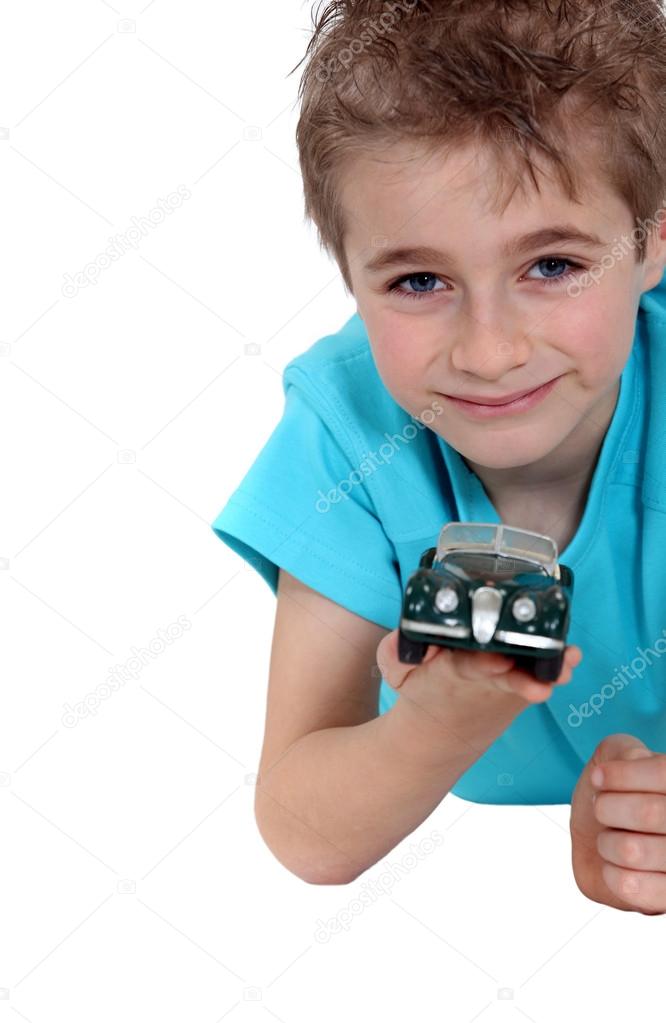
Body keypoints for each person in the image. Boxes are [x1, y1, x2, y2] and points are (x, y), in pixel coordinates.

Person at [212, 0, 666, 913]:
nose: (489, 352)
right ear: (349, 271)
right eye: (419, 282)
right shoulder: (346, 426)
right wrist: (439, 722)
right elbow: (303, 828)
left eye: (553, 266)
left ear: (653, 242)